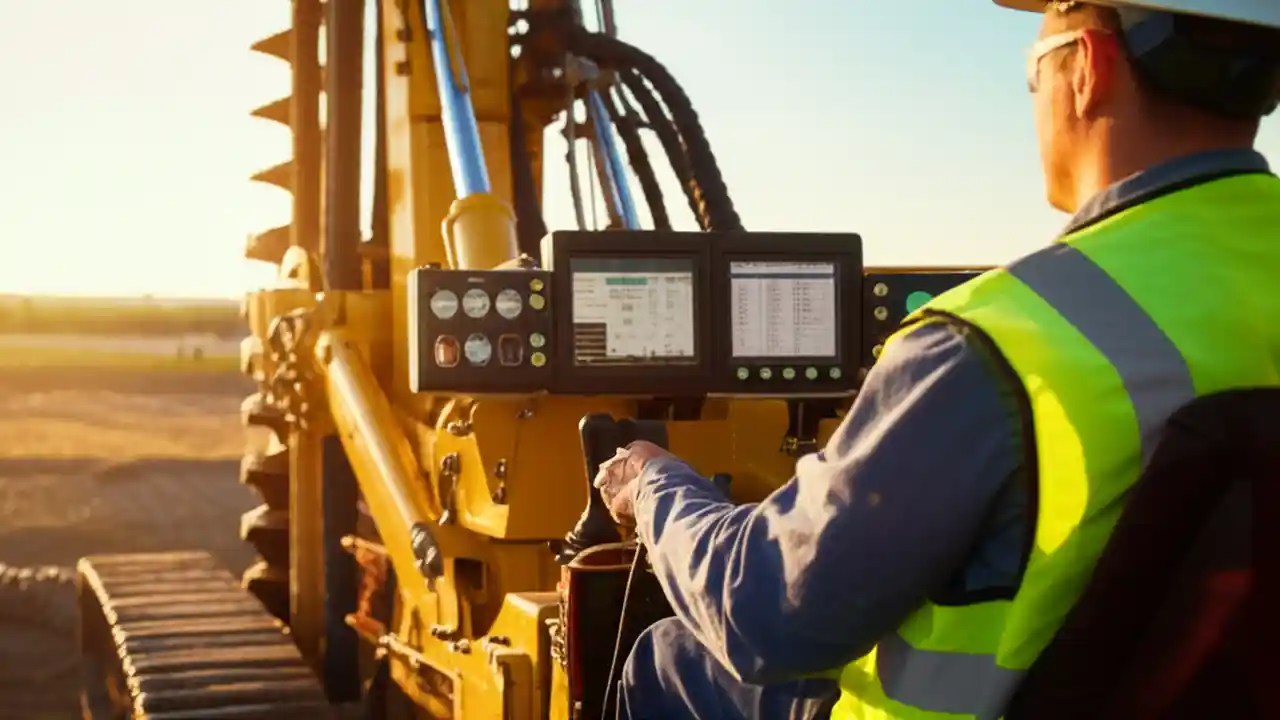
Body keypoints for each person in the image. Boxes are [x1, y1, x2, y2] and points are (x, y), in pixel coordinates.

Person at [592, 1, 1280, 718]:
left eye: (1032, 70)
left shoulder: (996, 339)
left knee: (668, 655)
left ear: (1090, 68)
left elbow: (764, 611)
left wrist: (653, 486)